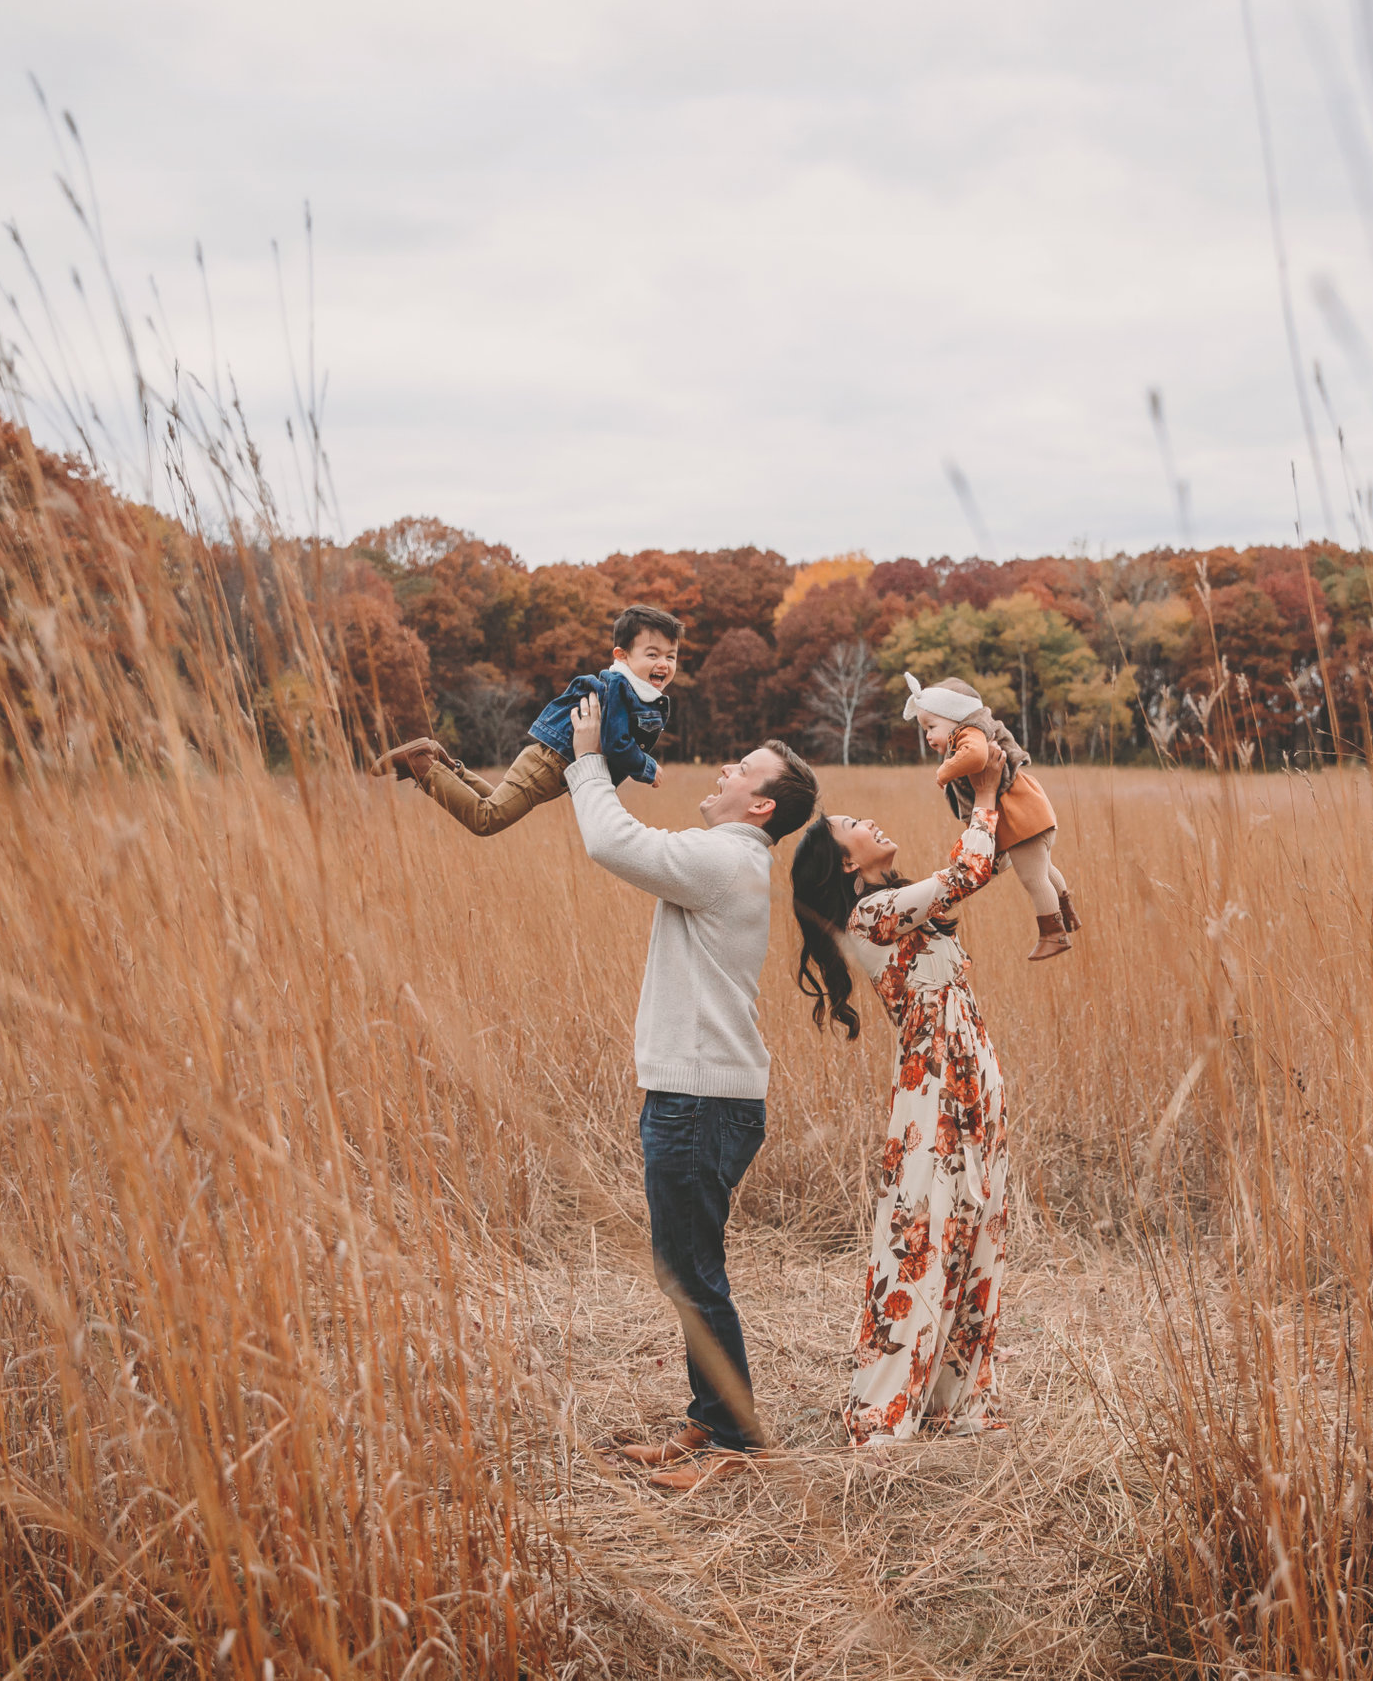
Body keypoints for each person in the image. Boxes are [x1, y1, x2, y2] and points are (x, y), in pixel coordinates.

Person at [557, 691, 820, 1491]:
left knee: (692, 1270)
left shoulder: (724, 859)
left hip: (701, 1104)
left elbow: (610, 840)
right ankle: (710, 1422)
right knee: (685, 1265)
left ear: (761, 803)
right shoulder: (732, 861)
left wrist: (586, 758)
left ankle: (739, 1442)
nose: (722, 770)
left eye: (739, 768)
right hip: (699, 1098)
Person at [789, 772, 1013, 1444]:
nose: (869, 821)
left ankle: (958, 1405)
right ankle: (883, 1414)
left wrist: (996, 786)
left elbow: (988, 862)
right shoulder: (869, 916)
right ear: (846, 863)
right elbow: (969, 869)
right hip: (932, 1091)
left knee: (978, 1237)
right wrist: (982, 802)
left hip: (974, 1080)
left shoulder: (899, 906)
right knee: (918, 1240)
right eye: (851, 824)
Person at [371, 604, 681, 835]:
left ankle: (445, 764)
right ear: (622, 656)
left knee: (494, 801)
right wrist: (646, 767)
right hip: (551, 762)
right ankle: (421, 764)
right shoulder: (619, 687)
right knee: (486, 820)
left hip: (553, 763)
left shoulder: (639, 694)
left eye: (671, 656)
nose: (663, 664)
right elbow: (616, 743)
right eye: (652, 655)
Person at [900, 673, 1080, 961]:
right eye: (925, 729)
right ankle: (1067, 916)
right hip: (1030, 813)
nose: (928, 736)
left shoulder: (968, 733)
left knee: (1033, 877)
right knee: (1044, 869)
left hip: (1022, 820)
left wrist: (944, 772)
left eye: (931, 726)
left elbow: (975, 757)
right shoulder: (973, 730)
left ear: (954, 716)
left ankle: (1053, 934)